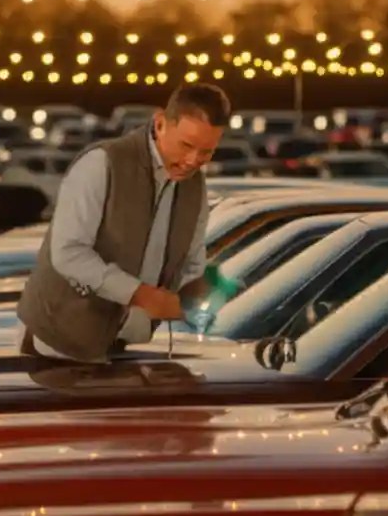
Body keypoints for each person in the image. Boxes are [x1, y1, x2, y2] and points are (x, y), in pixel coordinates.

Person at [16, 83, 231, 363]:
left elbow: (190, 264)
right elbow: (68, 253)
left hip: (122, 347)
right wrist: (140, 295)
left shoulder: (196, 186)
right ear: (160, 123)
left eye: (206, 152)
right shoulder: (101, 163)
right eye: (187, 145)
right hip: (56, 342)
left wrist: (205, 294)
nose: (193, 161)